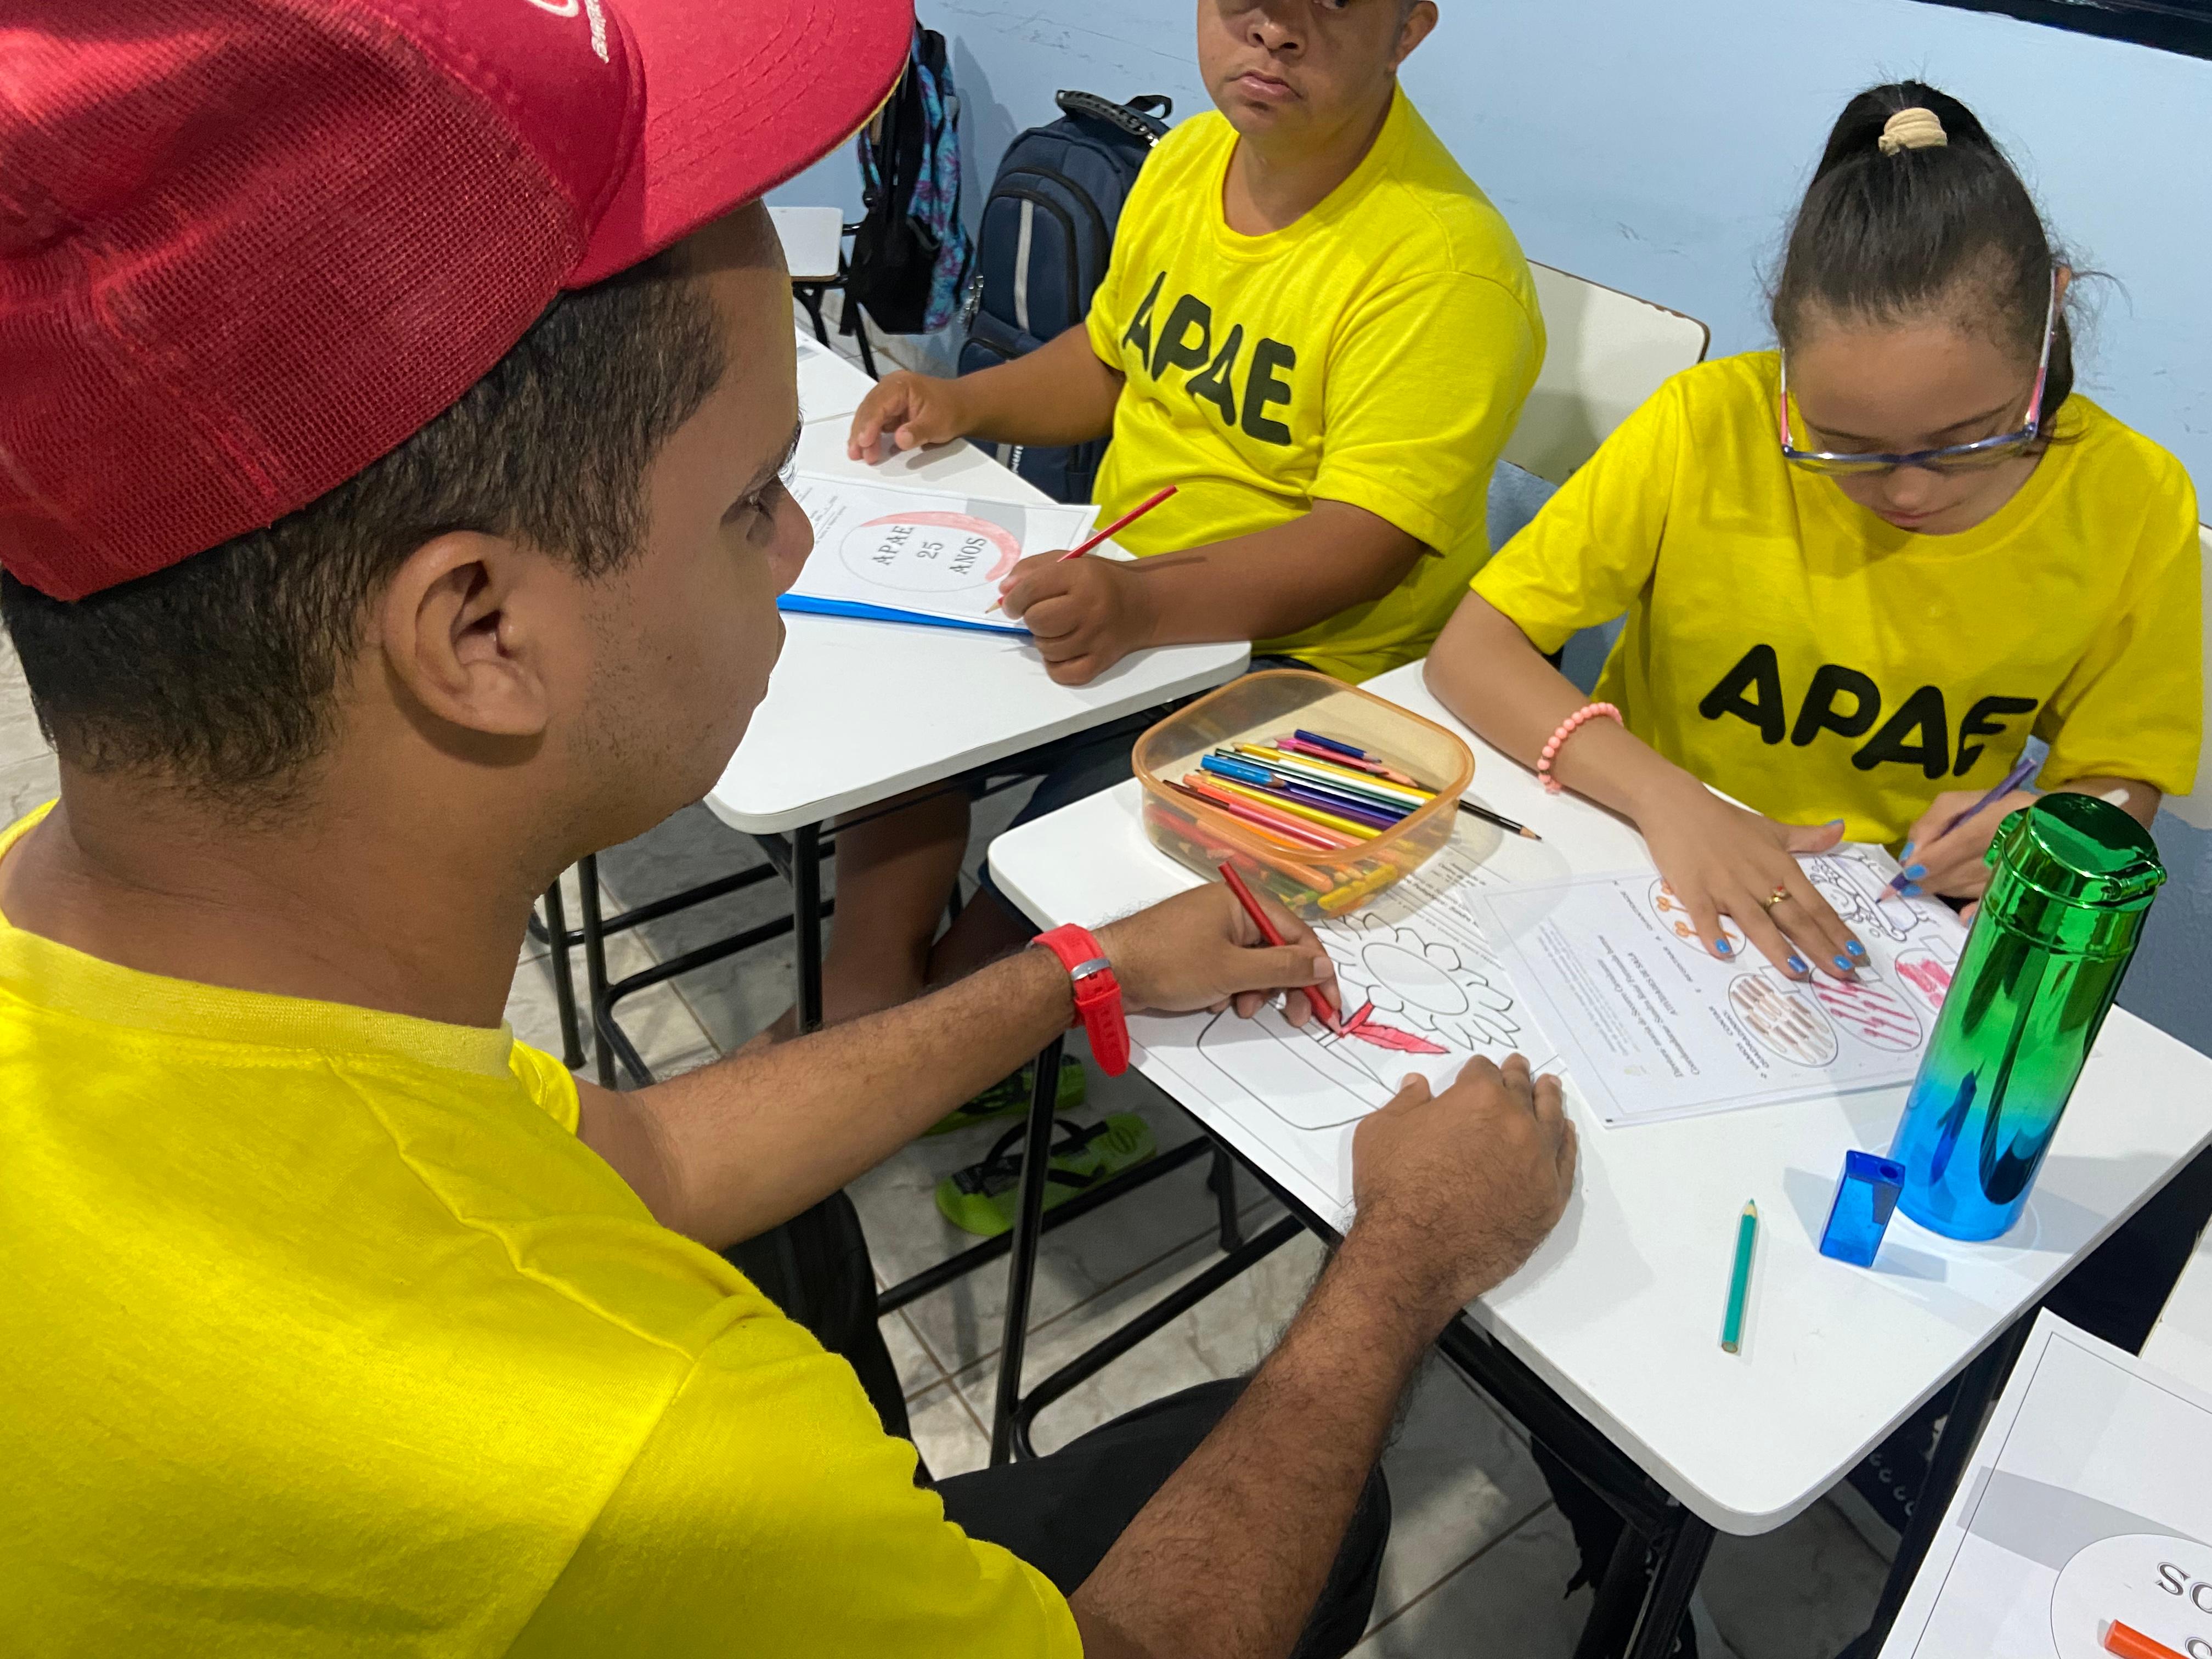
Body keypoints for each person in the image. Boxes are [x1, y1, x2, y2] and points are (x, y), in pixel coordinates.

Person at [0, 2, 1580, 1655]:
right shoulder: (646, 1448)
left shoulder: (132, 976)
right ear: (480, 632)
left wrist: (1079, 972)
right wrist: (1403, 1257)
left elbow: (648, 1160)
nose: (803, 535)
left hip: (1237, 674)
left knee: (788, 1222)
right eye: (755, 496)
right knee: (1305, 1495)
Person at [1421, 81, 2204, 1647]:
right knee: (1569, 1314)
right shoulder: (1710, 429)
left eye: (1970, 443)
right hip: (1647, 947)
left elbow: (2120, 774)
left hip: (1886, 985)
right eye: (1842, 449)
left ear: (2052, 332)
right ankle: (1636, 1558)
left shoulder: (2130, 503)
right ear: (1783, 368)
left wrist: (2042, 831)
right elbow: (1473, 647)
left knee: (2028, 1301)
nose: (1906, 493)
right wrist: (1669, 800)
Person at [798, 0, 1546, 1059]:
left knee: (1049, 864)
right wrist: (964, 401)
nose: (1273, 32)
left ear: (1409, 28)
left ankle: (920, 1047)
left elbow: (1362, 543)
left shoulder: (1443, 265)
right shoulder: (1191, 157)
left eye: (1329, 5)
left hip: (1302, 677)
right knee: (900, 720)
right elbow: (1113, 360)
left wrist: (1144, 603)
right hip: (1129, 586)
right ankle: (862, 1012)